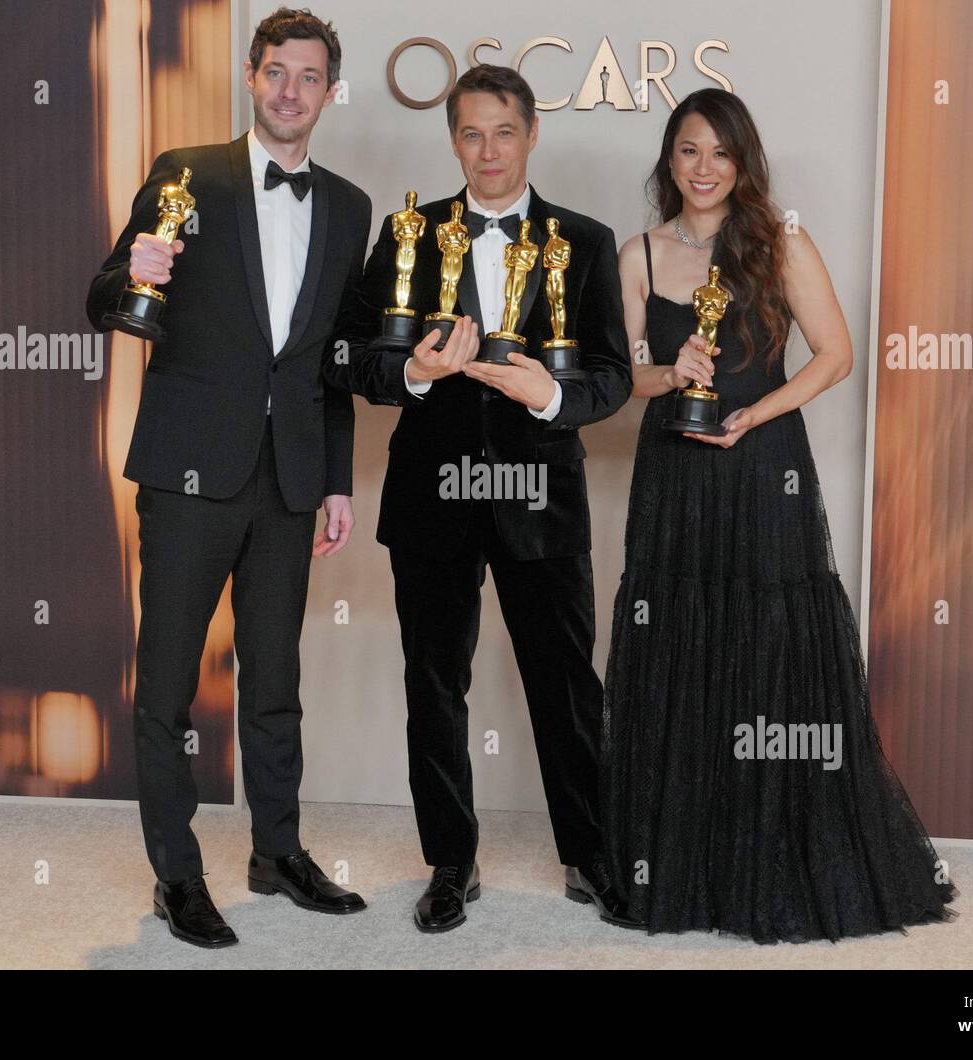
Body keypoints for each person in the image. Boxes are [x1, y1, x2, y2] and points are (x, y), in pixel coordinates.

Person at [602, 88, 959, 941]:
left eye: (720, 154)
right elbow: (622, 383)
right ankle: (679, 868)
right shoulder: (638, 256)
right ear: (668, 160)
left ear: (743, 163)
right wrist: (668, 370)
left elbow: (835, 355)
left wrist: (754, 414)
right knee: (680, 644)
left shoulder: (779, 242)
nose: (704, 169)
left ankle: (772, 861)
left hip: (763, 471)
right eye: (689, 151)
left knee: (764, 648)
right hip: (674, 478)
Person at [324, 64, 637, 932]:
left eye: (505, 132)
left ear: (533, 134)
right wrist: (414, 376)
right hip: (433, 497)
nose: (489, 150)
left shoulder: (585, 238)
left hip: (541, 496)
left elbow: (611, 376)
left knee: (567, 684)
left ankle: (590, 854)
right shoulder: (407, 234)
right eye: (471, 133)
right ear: (451, 138)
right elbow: (348, 358)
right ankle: (450, 864)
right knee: (434, 682)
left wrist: (549, 396)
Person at [86, 8, 371, 948]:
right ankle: (177, 875)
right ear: (252, 77)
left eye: (311, 76)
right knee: (166, 686)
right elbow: (105, 301)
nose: (292, 90)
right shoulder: (187, 172)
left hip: (288, 480)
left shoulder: (349, 206)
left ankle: (276, 853)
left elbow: (328, 362)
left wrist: (335, 479)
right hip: (186, 472)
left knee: (276, 682)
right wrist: (137, 265)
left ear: (331, 90)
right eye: (277, 72)